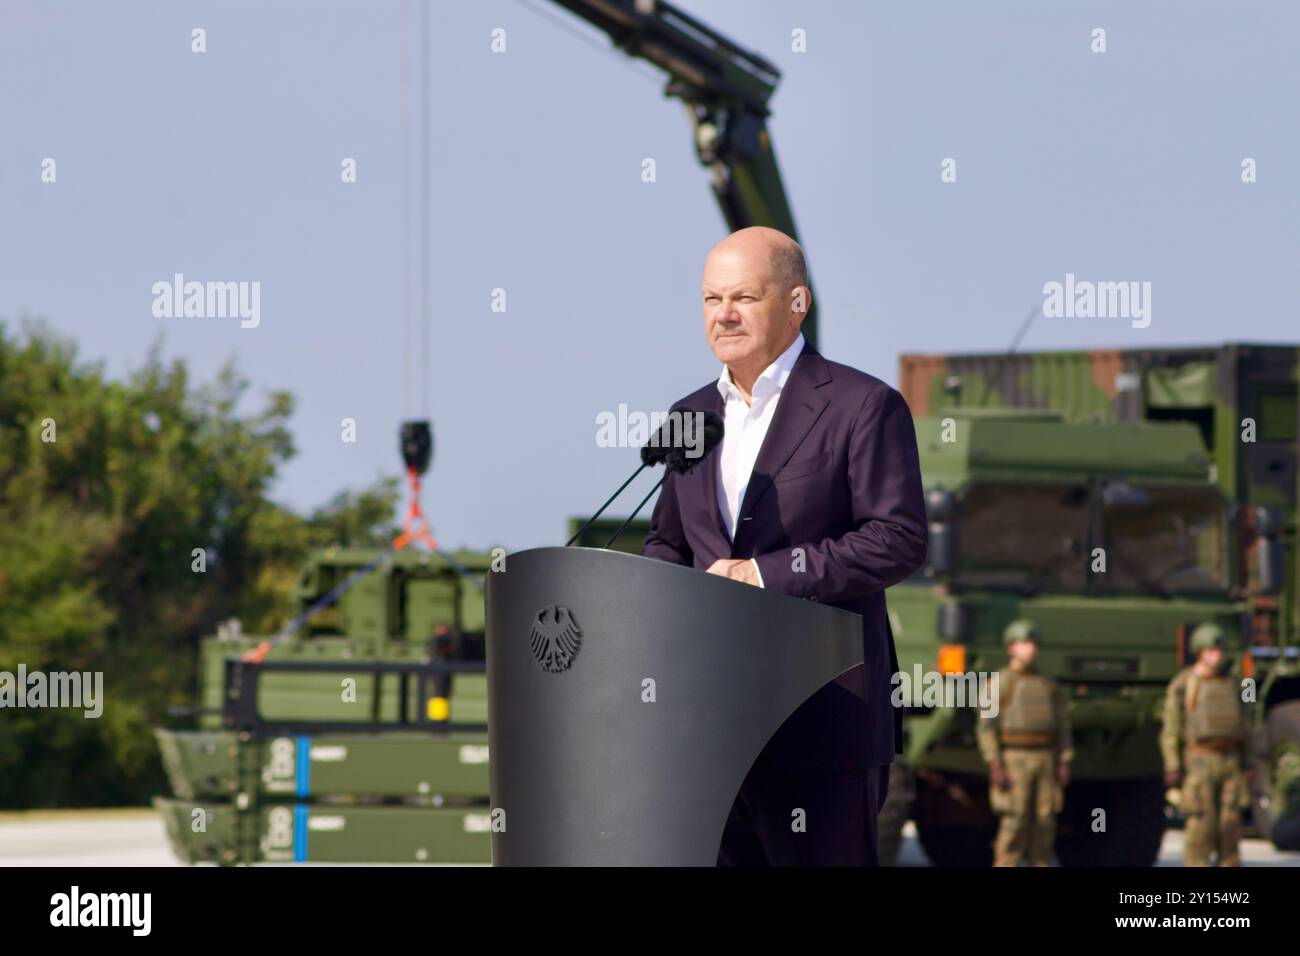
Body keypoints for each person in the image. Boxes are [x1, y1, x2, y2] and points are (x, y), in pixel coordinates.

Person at [641, 226, 928, 865]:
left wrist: (766, 575)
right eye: (711, 300)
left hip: (822, 721)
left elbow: (899, 538)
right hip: (710, 730)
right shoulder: (692, 416)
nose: (724, 315)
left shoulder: (862, 405)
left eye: (743, 296)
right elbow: (668, 543)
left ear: (796, 303)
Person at [976, 619, 1072, 866]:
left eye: (1033, 644)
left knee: (1045, 823)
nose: (1030, 649)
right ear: (1011, 648)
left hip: (1045, 760)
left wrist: (1064, 760)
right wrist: (994, 763)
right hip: (1013, 760)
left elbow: (1062, 725)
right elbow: (986, 728)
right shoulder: (998, 683)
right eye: (1024, 643)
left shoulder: (1048, 684)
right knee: (1014, 823)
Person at [1161, 622, 1250, 866]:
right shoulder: (1184, 684)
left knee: (1230, 824)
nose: (1217, 656)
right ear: (1200, 651)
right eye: (1211, 650)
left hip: (1230, 760)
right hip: (1200, 760)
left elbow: (1245, 723)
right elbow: (1171, 730)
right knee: (1201, 824)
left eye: (1220, 650)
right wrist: (1173, 765)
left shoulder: (1235, 682)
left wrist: (1249, 761)